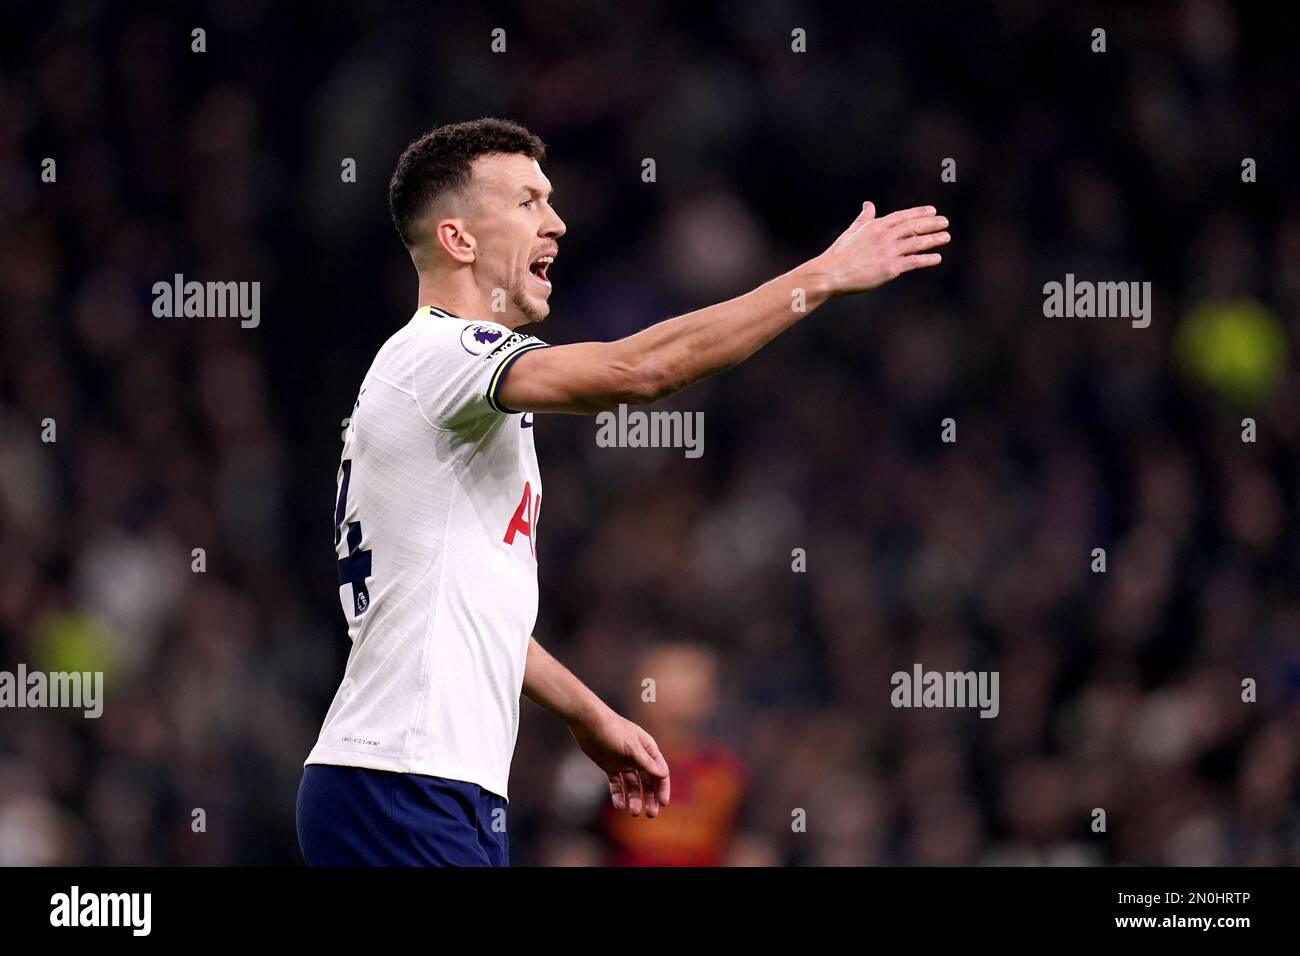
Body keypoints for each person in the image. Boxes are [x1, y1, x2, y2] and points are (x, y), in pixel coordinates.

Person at [296, 117, 949, 866]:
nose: (557, 221)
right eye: (528, 202)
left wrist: (590, 716)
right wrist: (817, 279)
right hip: (404, 785)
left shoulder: (429, 386)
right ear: (459, 239)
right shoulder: (442, 353)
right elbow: (640, 373)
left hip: (418, 784)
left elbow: (472, 613)